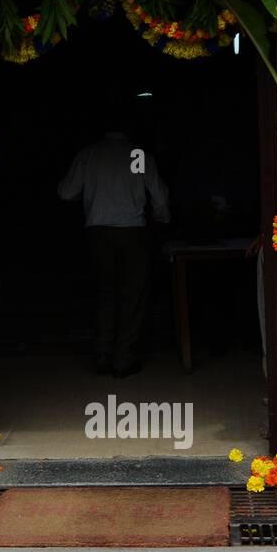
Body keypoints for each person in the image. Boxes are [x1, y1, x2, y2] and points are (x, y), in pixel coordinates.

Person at [58, 117, 170, 377]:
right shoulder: (138, 155)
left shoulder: (89, 155)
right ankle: (124, 359)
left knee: (105, 291)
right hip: (133, 231)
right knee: (132, 296)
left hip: (97, 231)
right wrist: (163, 221)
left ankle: (103, 352)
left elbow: (65, 193)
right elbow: (160, 198)